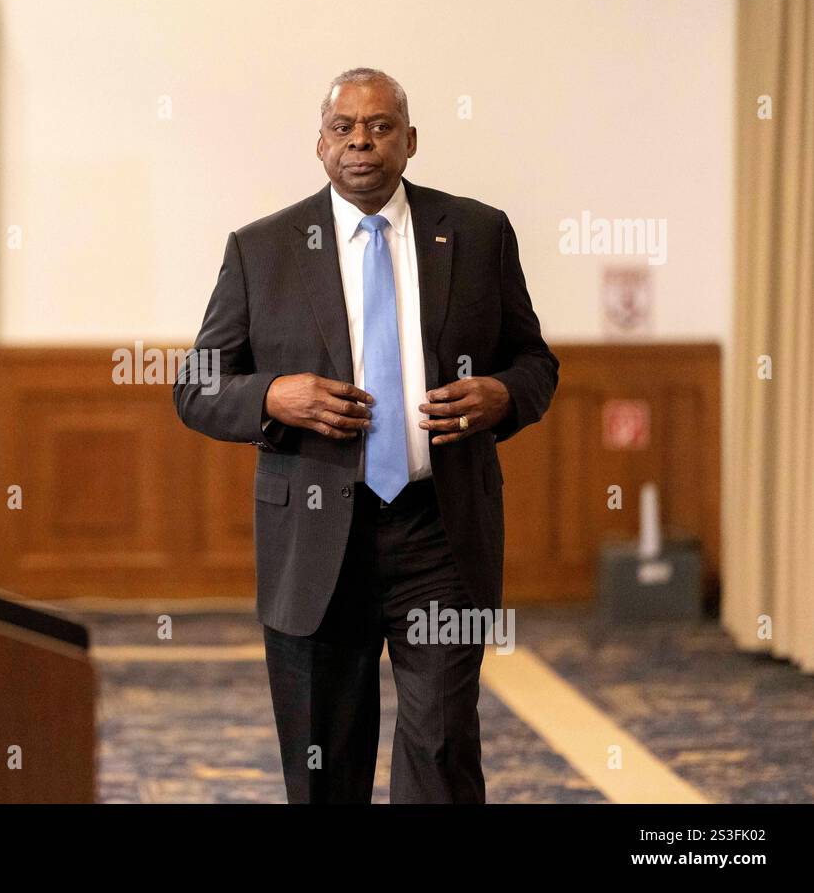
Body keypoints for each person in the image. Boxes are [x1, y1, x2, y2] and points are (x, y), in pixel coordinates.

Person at [173, 68, 559, 803]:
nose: (361, 142)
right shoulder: (264, 249)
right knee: (325, 764)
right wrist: (272, 395)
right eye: (344, 128)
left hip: (438, 531)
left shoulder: (477, 233)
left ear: (409, 142)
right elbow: (196, 387)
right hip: (316, 542)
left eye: (380, 127)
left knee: (442, 744)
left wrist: (503, 393)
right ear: (319, 146)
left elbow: (536, 361)